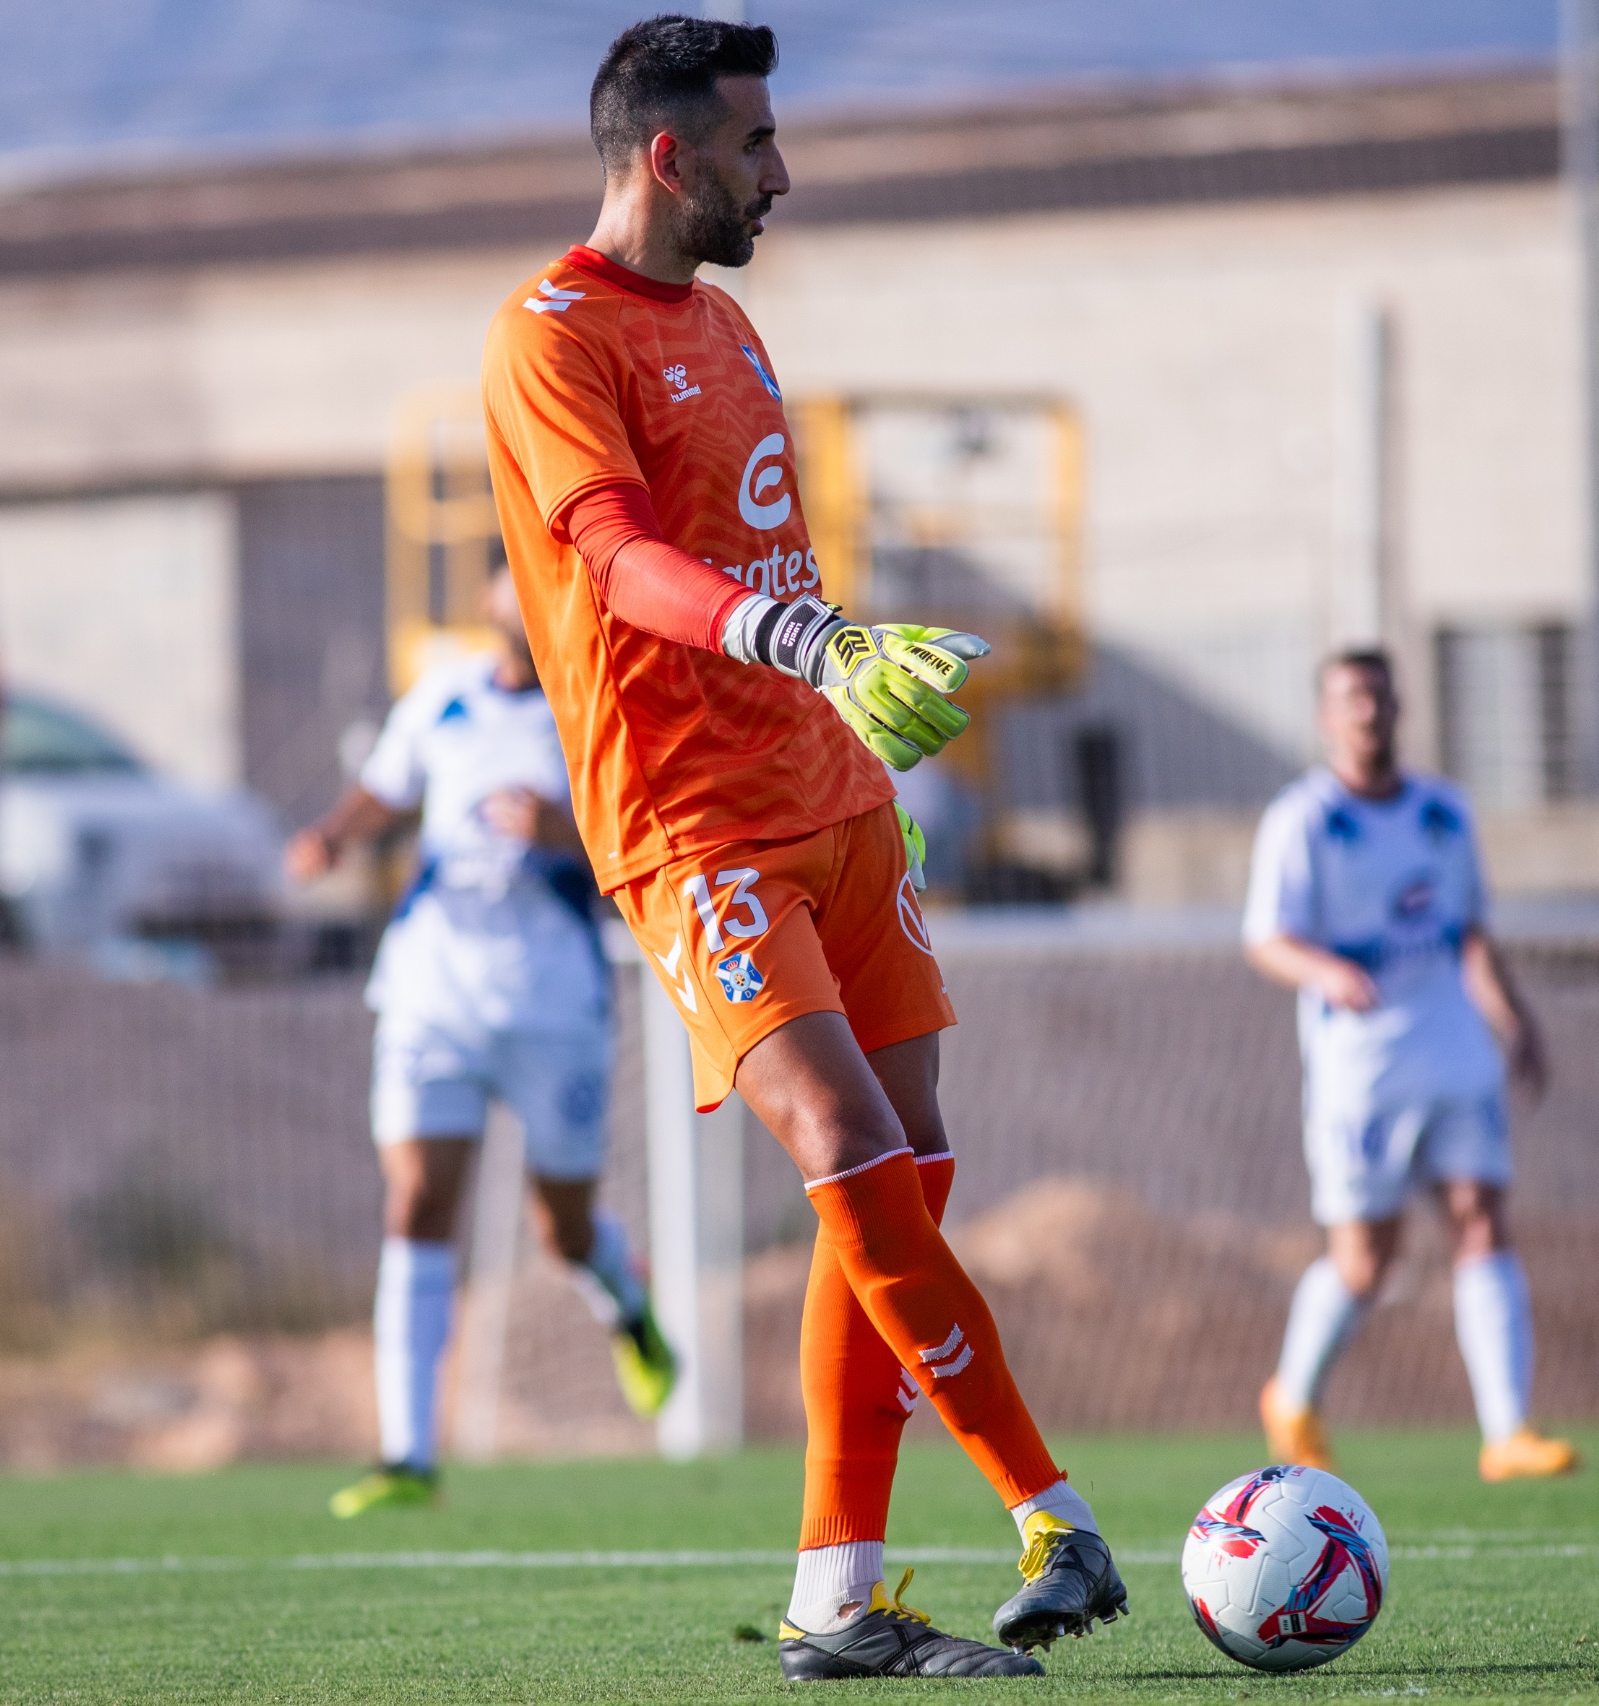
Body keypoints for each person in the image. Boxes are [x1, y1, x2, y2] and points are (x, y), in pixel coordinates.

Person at [480, 15, 1124, 1681]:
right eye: (759, 143)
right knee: (841, 1139)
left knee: (904, 1170)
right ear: (669, 155)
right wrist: (807, 644)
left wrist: (854, 679)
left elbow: (768, 550)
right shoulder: (549, 336)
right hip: (691, 824)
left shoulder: (731, 323)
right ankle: (1046, 1506)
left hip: (834, 802)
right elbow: (619, 566)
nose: (786, 171)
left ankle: (840, 1602)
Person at [287, 564, 675, 1517]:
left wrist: (564, 834)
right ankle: (407, 1456)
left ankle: (625, 1298)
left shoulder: (600, 699)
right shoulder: (443, 696)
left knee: (562, 1230)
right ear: (491, 598)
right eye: (506, 573)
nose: (517, 589)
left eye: (536, 573)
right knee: (418, 1199)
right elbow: (383, 789)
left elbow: (653, 836)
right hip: (433, 993)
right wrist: (333, 838)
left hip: (552, 1002)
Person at [1241, 648, 1579, 1483]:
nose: (1367, 713)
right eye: (1351, 700)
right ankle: (1291, 1395)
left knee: (1480, 1216)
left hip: (1457, 1054)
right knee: (1368, 1260)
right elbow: (1266, 938)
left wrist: (1516, 1022)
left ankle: (1508, 1433)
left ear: (1399, 708)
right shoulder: (1304, 819)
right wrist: (1325, 970)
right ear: (1327, 717)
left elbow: (1468, 933)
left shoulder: (1443, 811)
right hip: (1364, 1070)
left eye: (1379, 698)